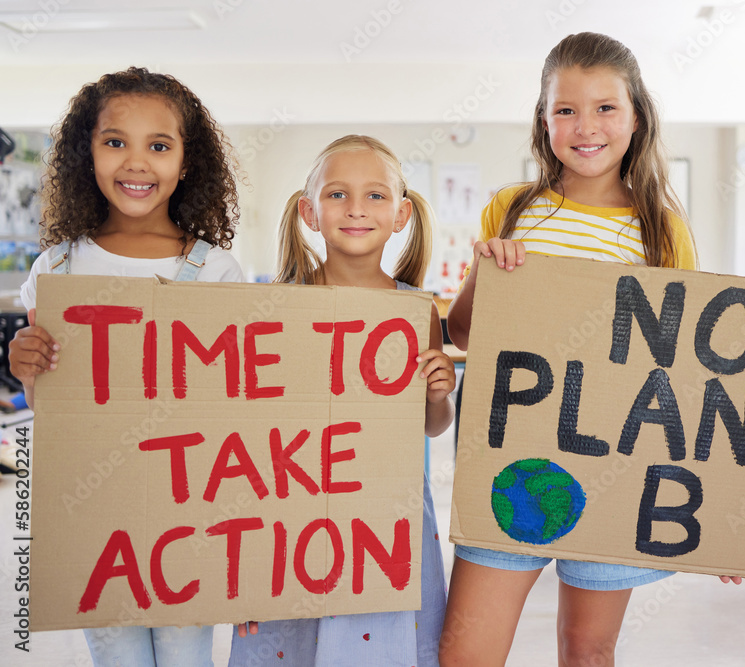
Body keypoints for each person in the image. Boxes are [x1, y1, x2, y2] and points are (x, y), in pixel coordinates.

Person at [441, 32, 708, 667]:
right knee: (464, 653)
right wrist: (486, 274)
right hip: (511, 463)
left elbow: (686, 369)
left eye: (605, 107)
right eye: (565, 109)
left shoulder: (662, 228)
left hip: (614, 466)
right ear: (544, 120)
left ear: (636, 115)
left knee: (587, 652)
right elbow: (463, 335)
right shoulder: (513, 209)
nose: (585, 126)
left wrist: (718, 513)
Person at [9, 67, 243, 666]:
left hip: (187, 507)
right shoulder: (55, 269)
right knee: (117, 658)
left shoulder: (216, 271)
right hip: (93, 506)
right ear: (85, 153)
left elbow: (233, 404)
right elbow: (48, 404)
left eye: (159, 146)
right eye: (115, 142)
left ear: (187, 163)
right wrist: (26, 365)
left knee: (186, 652)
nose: (136, 163)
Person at [227, 134, 453, 667]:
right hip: (289, 512)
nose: (356, 209)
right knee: (291, 644)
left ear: (401, 215)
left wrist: (440, 394)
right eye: (337, 194)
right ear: (309, 211)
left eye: (376, 196)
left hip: (386, 520)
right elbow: (244, 428)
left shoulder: (418, 312)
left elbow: (432, 425)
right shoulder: (277, 307)